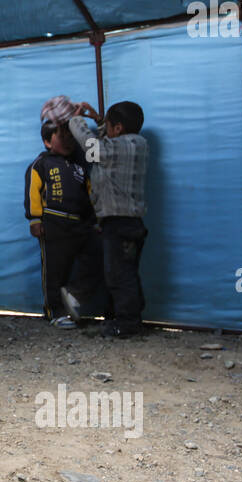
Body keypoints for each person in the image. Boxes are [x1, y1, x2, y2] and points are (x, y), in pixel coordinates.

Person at [67, 100, 149, 337]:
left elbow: (91, 147)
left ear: (119, 128)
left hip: (118, 223)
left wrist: (75, 120)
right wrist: (101, 121)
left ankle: (127, 323)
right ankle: (123, 317)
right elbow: (109, 143)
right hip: (131, 223)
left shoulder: (118, 148)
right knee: (126, 272)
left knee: (119, 275)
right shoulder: (138, 144)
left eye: (110, 127)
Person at [24, 120, 105, 328]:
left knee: (96, 257)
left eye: (71, 137)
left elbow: (89, 194)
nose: (69, 141)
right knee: (54, 270)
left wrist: (95, 220)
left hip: (80, 223)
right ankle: (55, 312)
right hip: (53, 222)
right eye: (62, 137)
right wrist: (35, 219)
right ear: (47, 142)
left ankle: (75, 295)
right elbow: (33, 191)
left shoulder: (80, 166)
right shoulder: (41, 164)